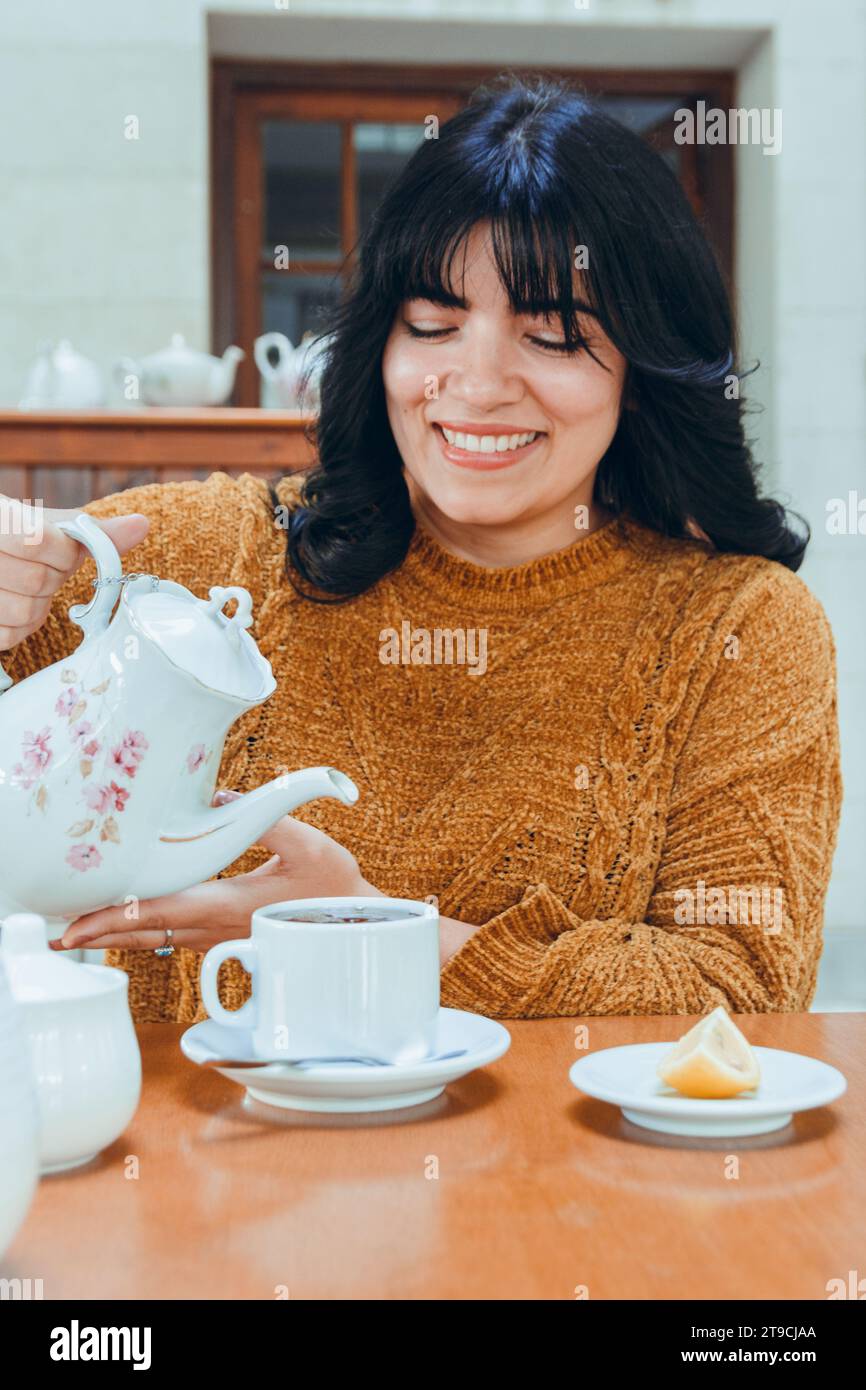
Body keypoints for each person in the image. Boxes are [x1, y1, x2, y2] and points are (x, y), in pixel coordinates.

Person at [0, 76, 842, 1024]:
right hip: (165, 1160)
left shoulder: (739, 632)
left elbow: (741, 997)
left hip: (544, 1176)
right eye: (433, 325)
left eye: (554, 335)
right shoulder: (201, 562)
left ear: (641, 370)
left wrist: (367, 933)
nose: (476, 385)